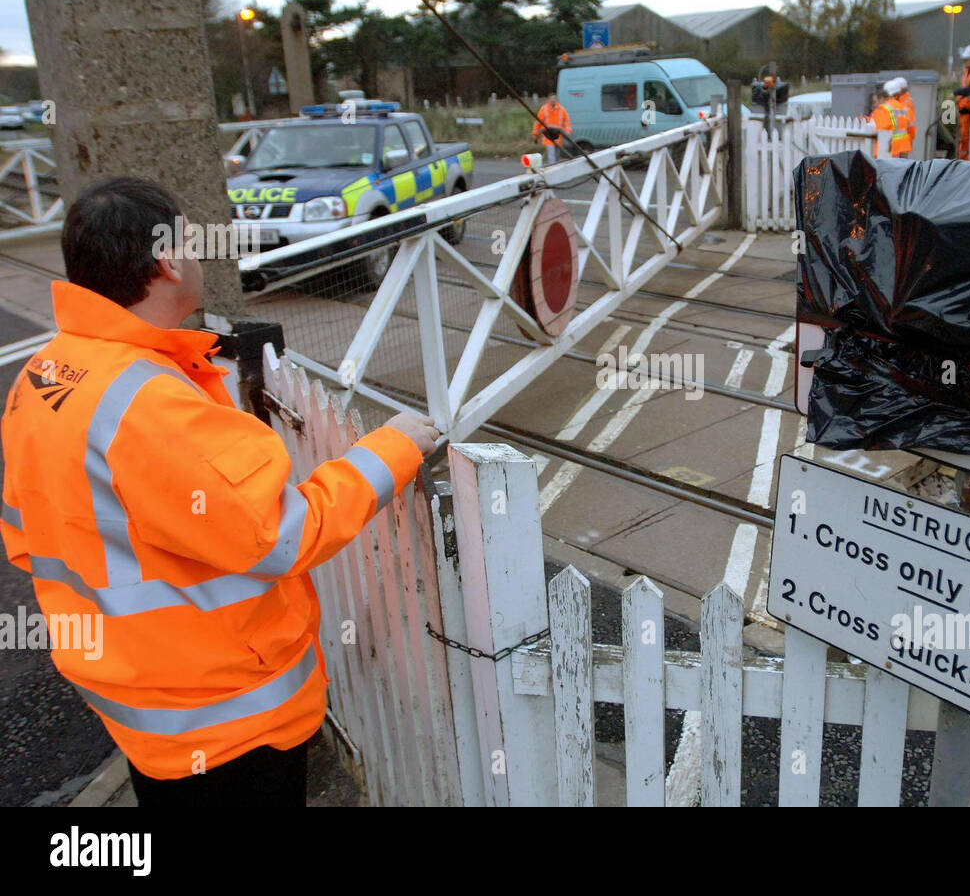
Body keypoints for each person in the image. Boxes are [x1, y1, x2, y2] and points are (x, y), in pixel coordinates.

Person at [0, 177, 440, 806]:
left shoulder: (43, 375)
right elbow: (283, 534)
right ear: (168, 262)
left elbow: (31, 536)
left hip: (141, 706)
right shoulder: (148, 405)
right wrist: (391, 448)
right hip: (227, 722)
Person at [867, 86, 911, 158]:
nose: (874, 105)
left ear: (881, 98)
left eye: (875, 101)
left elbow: (879, 127)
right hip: (903, 146)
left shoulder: (883, 109)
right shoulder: (899, 105)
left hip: (890, 148)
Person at [531, 94, 572, 165]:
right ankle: (552, 170)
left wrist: (568, 132)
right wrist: (535, 135)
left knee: (557, 157)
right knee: (552, 156)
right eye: (551, 99)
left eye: (554, 99)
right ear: (548, 100)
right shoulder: (544, 109)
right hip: (548, 137)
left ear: (556, 100)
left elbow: (567, 122)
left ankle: (555, 170)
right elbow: (538, 123)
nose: (553, 100)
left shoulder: (562, 109)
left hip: (558, 137)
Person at [953, 45, 970, 160]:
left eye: (967, 59)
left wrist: (957, 92)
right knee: (963, 139)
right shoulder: (968, 72)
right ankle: (962, 160)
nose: (965, 62)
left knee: (967, 139)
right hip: (964, 112)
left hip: (969, 113)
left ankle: (966, 161)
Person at [889, 77, 917, 150]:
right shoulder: (901, 101)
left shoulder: (905, 103)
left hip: (902, 142)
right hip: (899, 141)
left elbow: (908, 124)